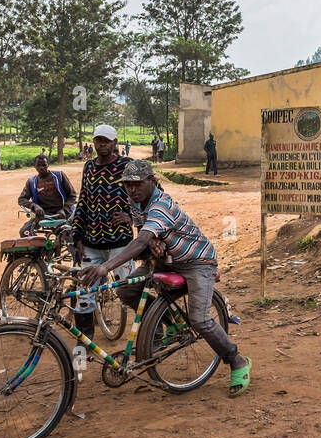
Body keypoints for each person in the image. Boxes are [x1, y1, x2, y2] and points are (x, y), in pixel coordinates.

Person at [78, 160, 252, 397]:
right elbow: (144, 234)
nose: (132, 189)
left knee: (199, 320)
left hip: (196, 262)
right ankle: (163, 329)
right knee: (127, 291)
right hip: (167, 260)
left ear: (153, 181)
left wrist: (104, 267)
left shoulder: (161, 205)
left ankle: (236, 359)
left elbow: (139, 241)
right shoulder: (136, 202)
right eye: (128, 185)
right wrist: (152, 241)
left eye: (137, 184)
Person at [69, 125, 135, 336]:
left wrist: (131, 217)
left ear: (115, 142)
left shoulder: (127, 166)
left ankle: (156, 332)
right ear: (94, 142)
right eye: (98, 140)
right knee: (84, 292)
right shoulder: (89, 167)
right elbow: (83, 201)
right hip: (91, 245)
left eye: (106, 141)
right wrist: (77, 234)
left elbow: (150, 194)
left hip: (121, 245)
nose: (102, 145)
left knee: (129, 290)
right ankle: (85, 340)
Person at [17, 154, 76, 219]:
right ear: (35, 166)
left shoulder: (59, 176)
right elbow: (21, 199)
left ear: (48, 164)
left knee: (75, 226)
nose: (41, 167)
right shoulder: (31, 181)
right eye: (38, 165)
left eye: (44, 165)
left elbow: (72, 195)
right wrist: (34, 206)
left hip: (63, 214)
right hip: (43, 215)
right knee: (25, 229)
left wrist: (64, 209)